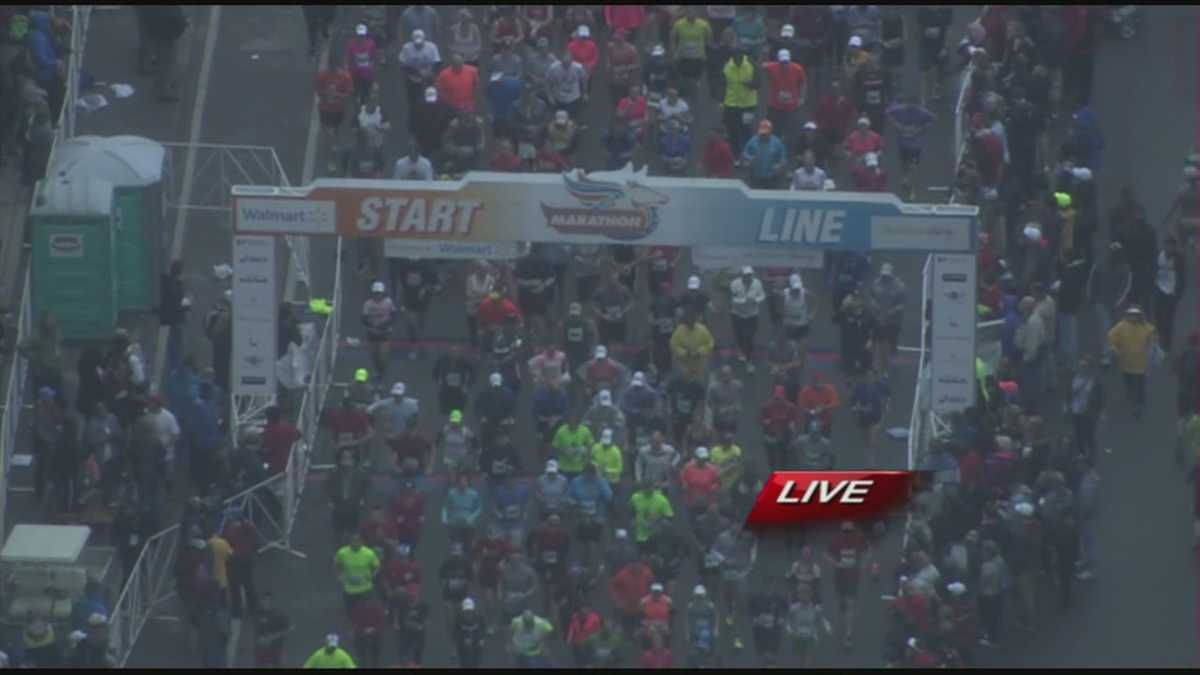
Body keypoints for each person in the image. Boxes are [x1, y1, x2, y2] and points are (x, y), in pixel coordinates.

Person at [1106, 305, 1158, 419]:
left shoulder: (1146, 327)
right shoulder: (1121, 326)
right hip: (1126, 363)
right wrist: (1116, 350)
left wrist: (1152, 347)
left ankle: (1138, 405)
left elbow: (1153, 338)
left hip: (1140, 364)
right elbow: (1111, 338)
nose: (1133, 317)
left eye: (1135, 315)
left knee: (1139, 385)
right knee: (1129, 383)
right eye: (1131, 315)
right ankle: (1133, 396)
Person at [885, 93, 936, 199]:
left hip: (916, 143)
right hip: (903, 142)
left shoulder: (922, 112)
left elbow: (933, 119)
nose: (911, 106)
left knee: (914, 164)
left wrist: (921, 129)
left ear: (917, 104)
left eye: (914, 105)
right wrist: (898, 125)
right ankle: (905, 177)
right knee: (904, 161)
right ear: (907, 103)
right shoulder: (899, 109)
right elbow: (888, 113)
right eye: (910, 104)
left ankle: (913, 184)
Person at [722, 49, 759, 151]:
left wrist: (750, 84)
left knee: (746, 129)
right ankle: (736, 153)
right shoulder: (727, 66)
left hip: (748, 105)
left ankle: (748, 152)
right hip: (731, 105)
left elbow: (758, 83)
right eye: (735, 58)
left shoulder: (751, 63)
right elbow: (722, 84)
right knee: (732, 130)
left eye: (740, 58)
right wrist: (721, 101)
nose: (738, 60)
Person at [398, 29, 442, 111]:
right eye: (416, 44)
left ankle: (431, 111)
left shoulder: (432, 47)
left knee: (431, 99)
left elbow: (437, 62)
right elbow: (402, 64)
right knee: (414, 101)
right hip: (413, 79)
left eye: (420, 43)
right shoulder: (407, 48)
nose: (418, 45)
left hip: (429, 78)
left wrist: (431, 72)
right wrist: (416, 72)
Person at [741, 119, 787, 189]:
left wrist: (779, 166)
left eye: (765, 134)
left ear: (770, 132)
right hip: (755, 178)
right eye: (762, 134)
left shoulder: (777, 143)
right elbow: (744, 154)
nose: (763, 136)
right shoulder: (752, 141)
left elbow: (783, 159)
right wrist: (749, 159)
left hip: (772, 179)